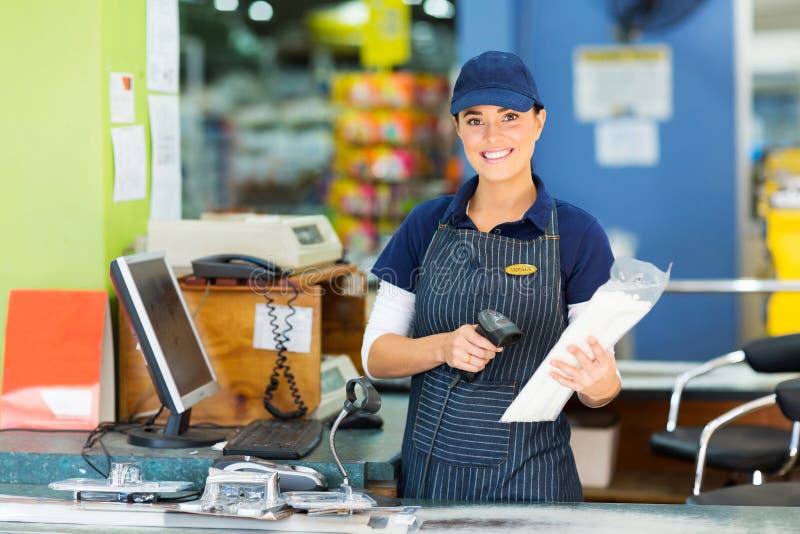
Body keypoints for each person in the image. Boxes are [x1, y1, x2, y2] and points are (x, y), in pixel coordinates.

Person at [361, 51, 620, 502]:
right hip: (430, 482)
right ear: (457, 128)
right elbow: (376, 356)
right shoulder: (425, 224)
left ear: (539, 122)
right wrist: (443, 346)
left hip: (534, 484)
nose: (492, 135)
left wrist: (599, 386)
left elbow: (603, 386)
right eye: (475, 119)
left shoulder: (578, 234)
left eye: (510, 116)